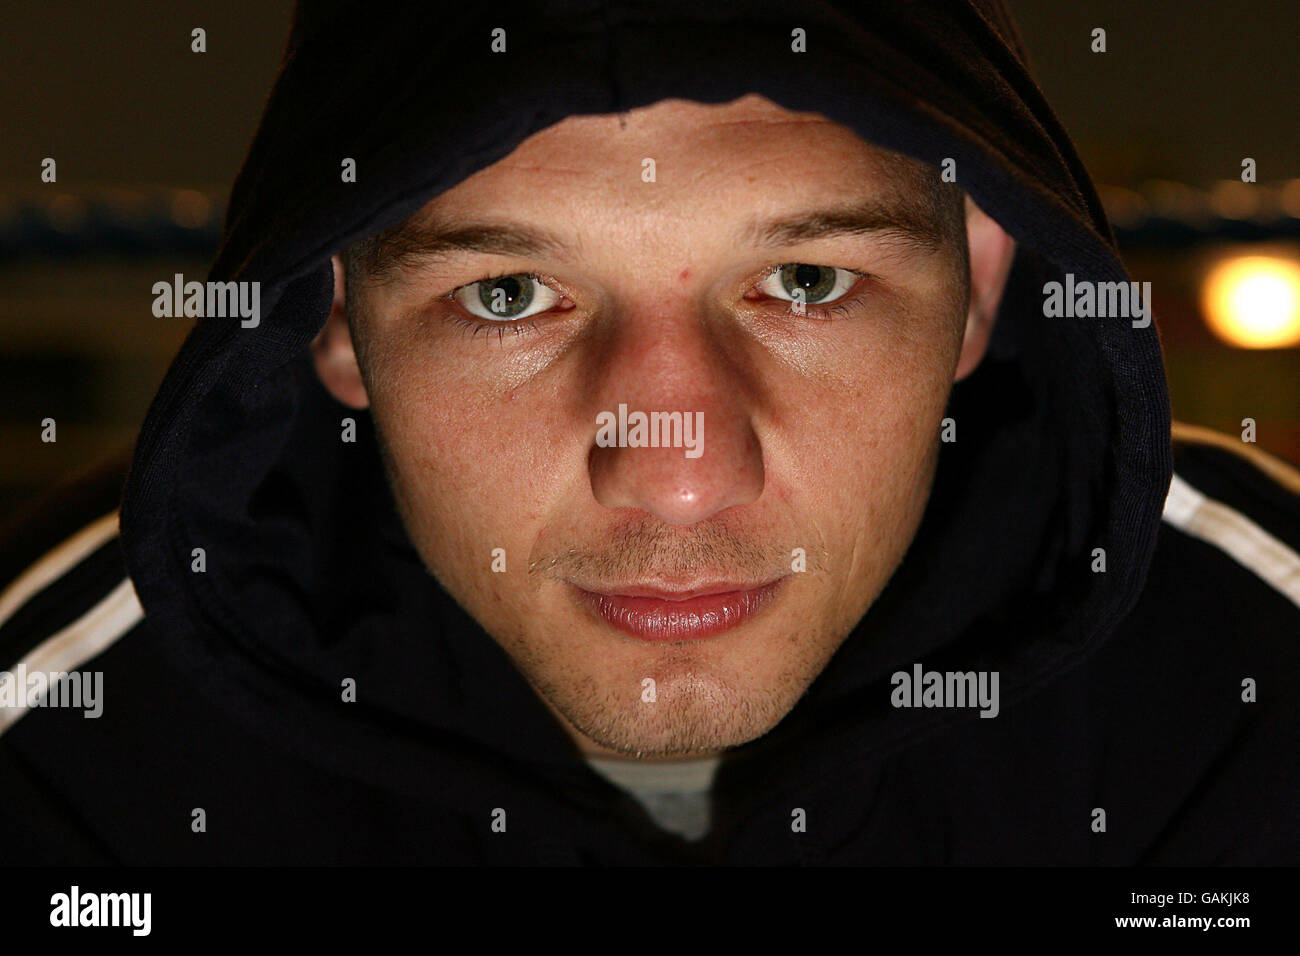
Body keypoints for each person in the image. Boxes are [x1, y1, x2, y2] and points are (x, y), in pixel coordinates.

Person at [2, 0, 1298, 865]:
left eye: (806, 284)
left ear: (978, 282)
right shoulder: (65, 739)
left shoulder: (1254, 681)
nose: (677, 476)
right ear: (332, 321)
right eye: (506, 298)